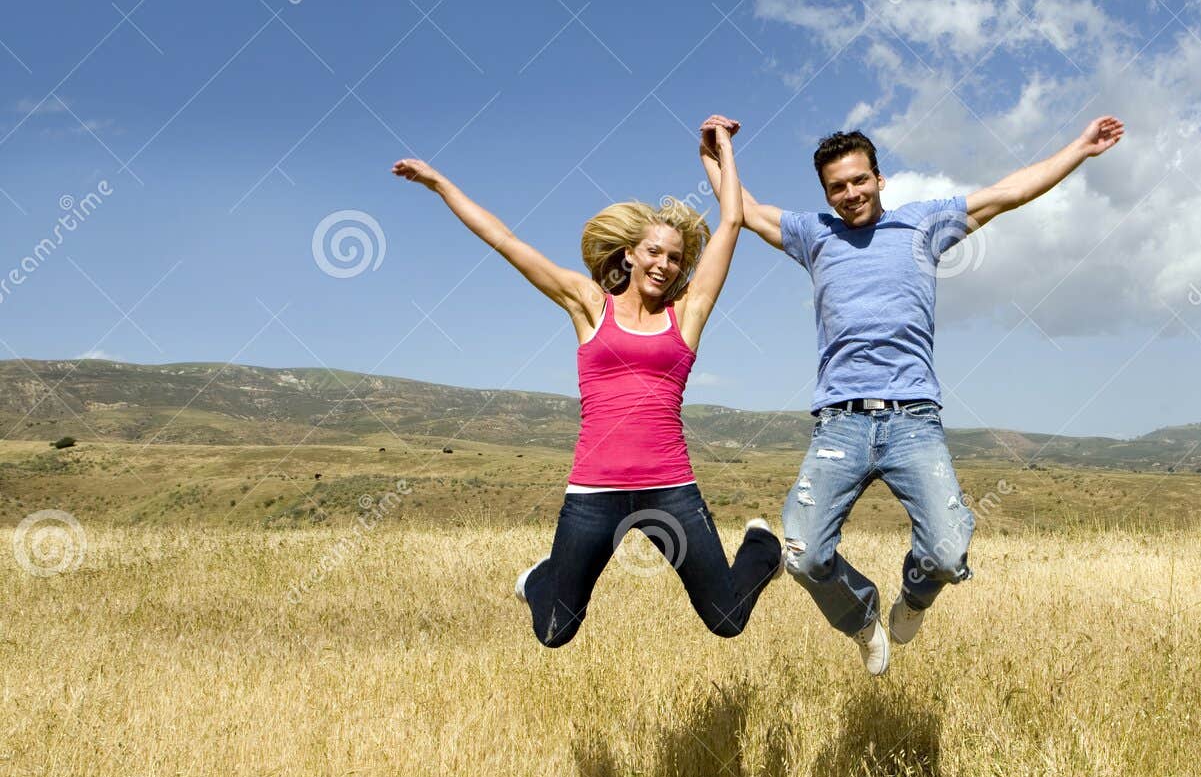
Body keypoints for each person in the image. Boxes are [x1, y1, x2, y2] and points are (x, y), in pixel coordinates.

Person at [700, 113, 1124, 675]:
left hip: (912, 420)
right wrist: (713, 154)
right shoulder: (815, 235)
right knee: (802, 554)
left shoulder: (923, 225)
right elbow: (746, 210)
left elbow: (1009, 192)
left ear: (879, 178)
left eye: (859, 180)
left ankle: (914, 597)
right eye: (837, 187)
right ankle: (860, 616)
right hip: (840, 423)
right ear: (825, 193)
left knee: (949, 550)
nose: (850, 194)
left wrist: (1080, 148)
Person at [392, 117, 781, 648]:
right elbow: (505, 241)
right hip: (594, 492)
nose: (664, 265)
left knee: (727, 619)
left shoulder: (686, 314)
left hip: (669, 488)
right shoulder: (589, 304)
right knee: (556, 631)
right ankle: (537, 579)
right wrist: (441, 185)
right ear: (628, 254)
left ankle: (763, 546)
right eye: (653, 252)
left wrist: (722, 152)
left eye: (674, 257)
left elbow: (732, 223)